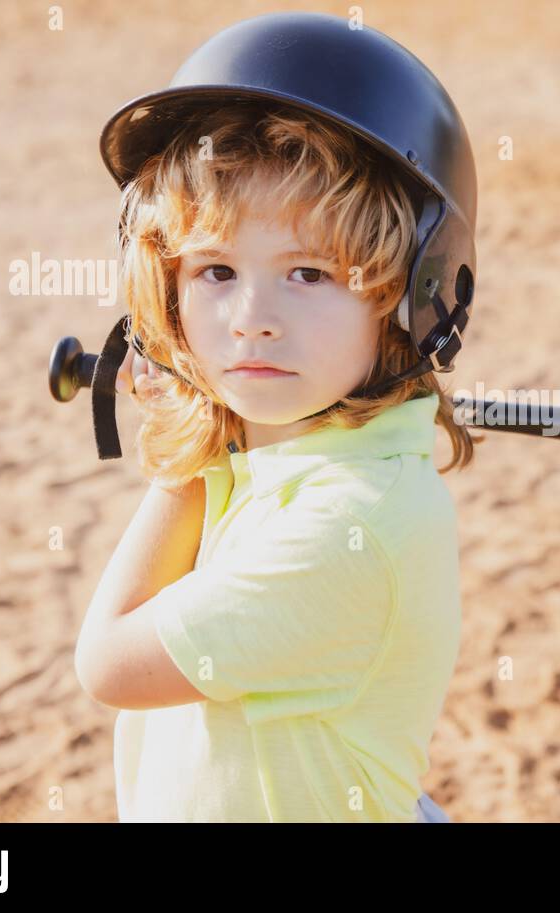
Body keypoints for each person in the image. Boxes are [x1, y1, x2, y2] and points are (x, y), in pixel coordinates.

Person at [73, 12, 478, 823]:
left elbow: (109, 663)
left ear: (415, 296)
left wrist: (183, 456)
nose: (252, 318)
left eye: (308, 273)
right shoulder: (296, 454)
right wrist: (212, 433)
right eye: (216, 269)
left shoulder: (347, 526)